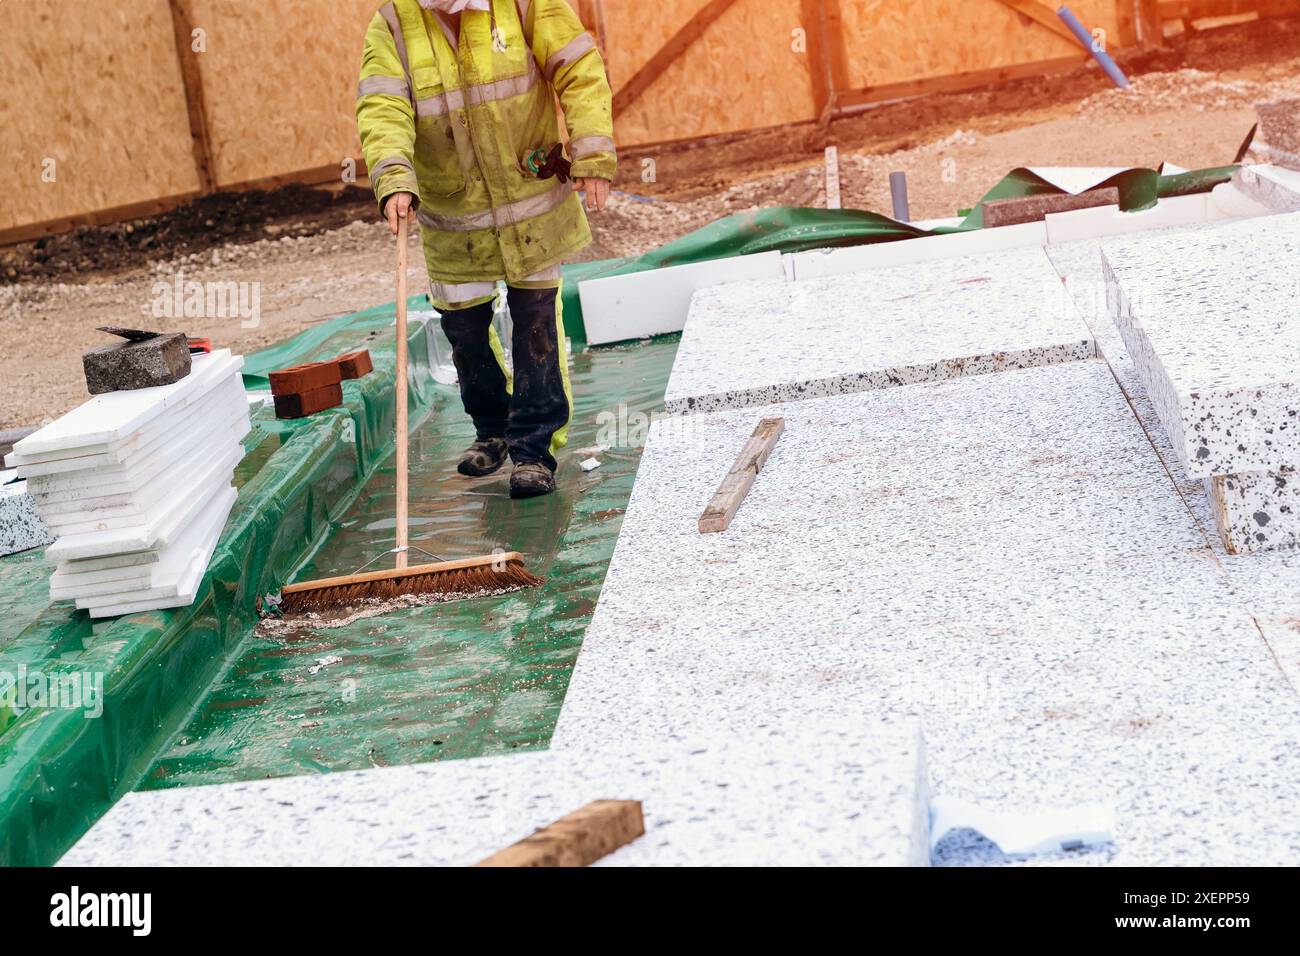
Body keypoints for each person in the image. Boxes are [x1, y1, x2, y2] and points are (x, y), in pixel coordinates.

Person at [357, 0, 616, 498]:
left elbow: (579, 68)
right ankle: (493, 430)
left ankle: (534, 450)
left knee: (535, 324)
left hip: (531, 206)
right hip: (455, 217)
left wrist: (593, 151)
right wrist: (392, 177)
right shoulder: (393, 22)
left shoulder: (525, 5)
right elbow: (382, 106)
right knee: (464, 331)